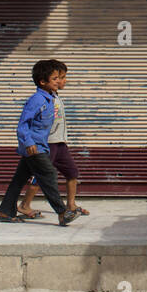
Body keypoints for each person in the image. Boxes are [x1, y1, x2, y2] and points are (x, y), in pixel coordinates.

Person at [0, 59, 79, 226]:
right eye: (55, 78)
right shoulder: (37, 100)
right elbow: (23, 124)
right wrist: (28, 142)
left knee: (19, 179)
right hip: (34, 147)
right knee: (49, 174)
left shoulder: (49, 98)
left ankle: (5, 211)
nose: (59, 81)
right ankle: (62, 213)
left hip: (39, 146)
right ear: (43, 82)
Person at [18, 62, 85, 219]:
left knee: (72, 172)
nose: (63, 81)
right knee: (41, 176)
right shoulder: (42, 99)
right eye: (59, 78)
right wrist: (30, 142)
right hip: (48, 143)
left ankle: (71, 204)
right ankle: (25, 205)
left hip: (60, 142)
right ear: (44, 81)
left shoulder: (55, 96)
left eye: (62, 77)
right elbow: (27, 123)